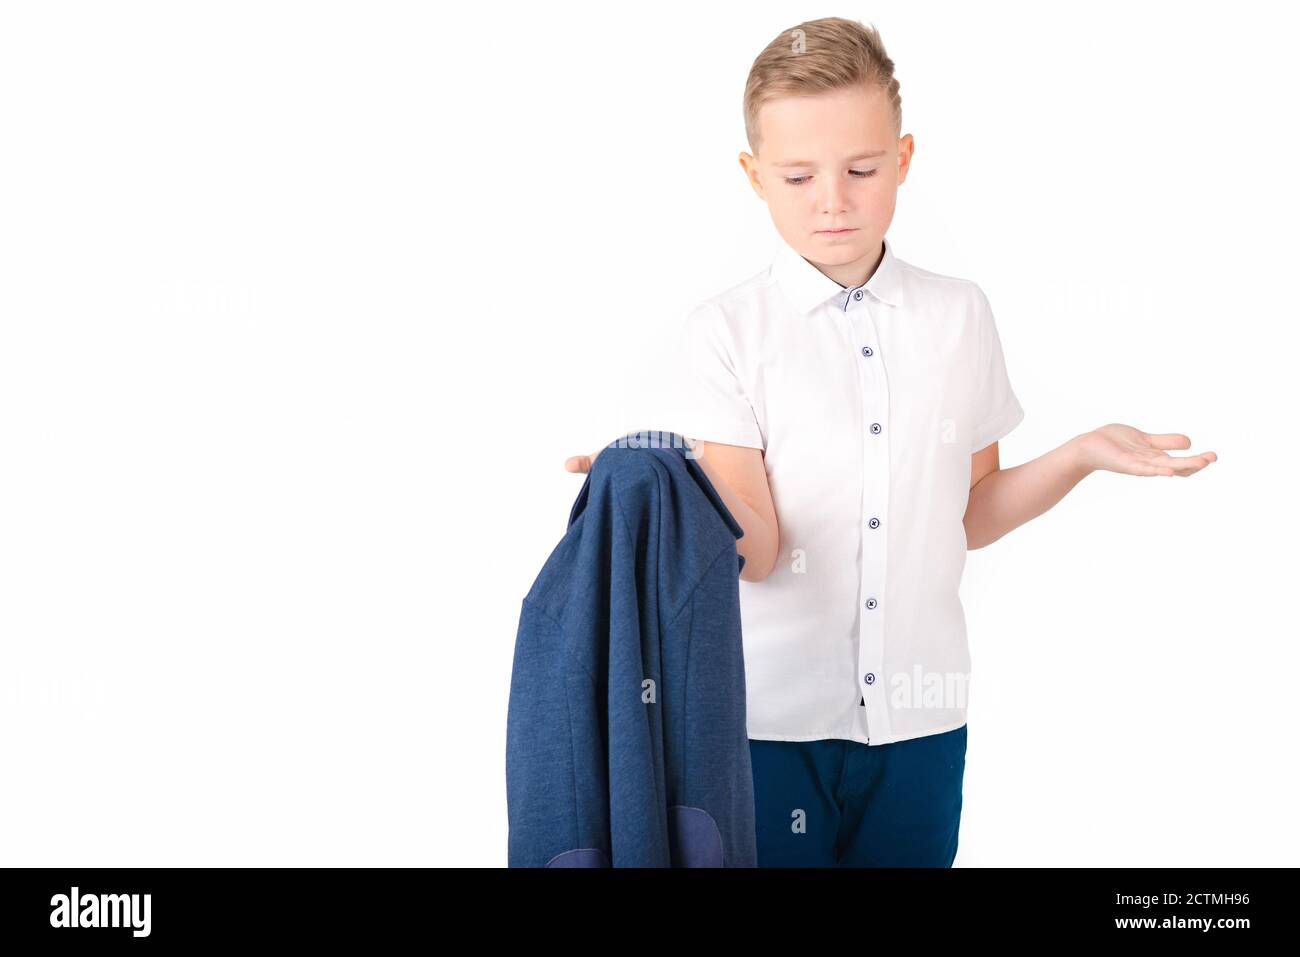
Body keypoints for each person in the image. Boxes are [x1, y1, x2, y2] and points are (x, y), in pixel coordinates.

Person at [564, 17, 1215, 867]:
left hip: (923, 724)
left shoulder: (959, 315)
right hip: (769, 726)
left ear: (903, 159)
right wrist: (664, 485)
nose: (832, 199)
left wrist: (1079, 454)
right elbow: (760, 550)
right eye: (798, 176)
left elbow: (970, 513)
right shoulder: (728, 332)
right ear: (755, 176)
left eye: (862, 169)